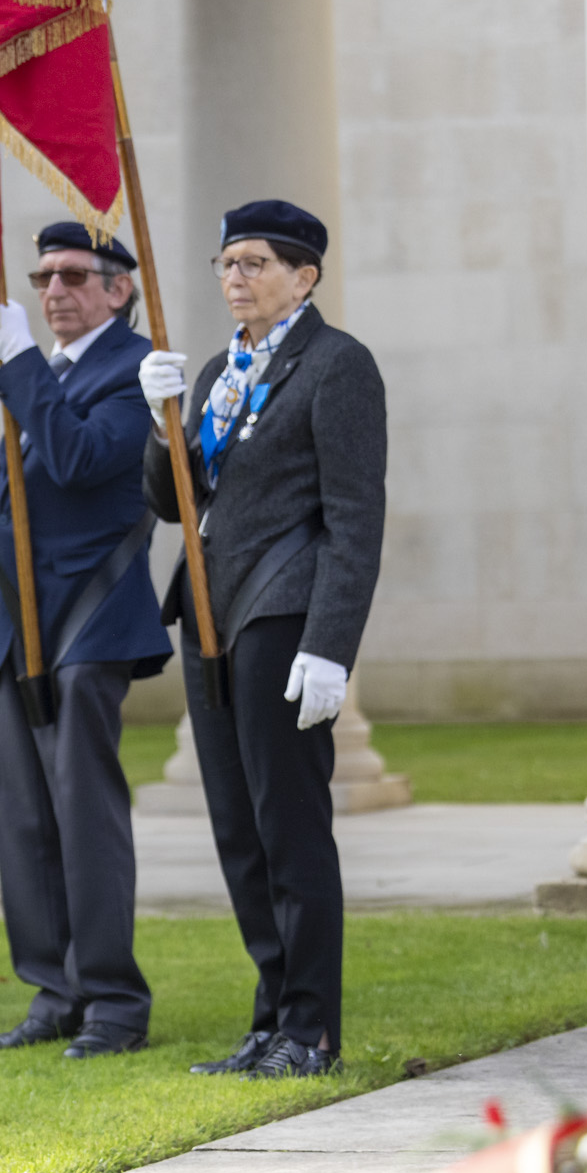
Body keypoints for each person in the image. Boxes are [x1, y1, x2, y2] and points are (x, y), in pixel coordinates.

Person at [139, 199, 386, 1081]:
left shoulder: (337, 365)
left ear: (304, 275)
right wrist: (160, 418)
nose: (234, 279)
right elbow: (174, 501)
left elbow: (355, 520)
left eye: (253, 263)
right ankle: (272, 1012)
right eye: (226, 264)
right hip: (210, 612)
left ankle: (312, 1027)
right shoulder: (218, 371)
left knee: (290, 827)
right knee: (239, 830)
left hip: (283, 613)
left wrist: (332, 643)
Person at [0, 223, 168, 1059]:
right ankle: (55, 989)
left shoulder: (136, 370)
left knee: (85, 816)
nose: (53, 290)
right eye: (43, 275)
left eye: (75, 275)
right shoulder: (46, 367)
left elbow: (83, 459)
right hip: (20, 625)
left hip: (88, 620)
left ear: (118, 289)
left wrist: (16, 367)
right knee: (25, 818)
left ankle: (114, 1001)